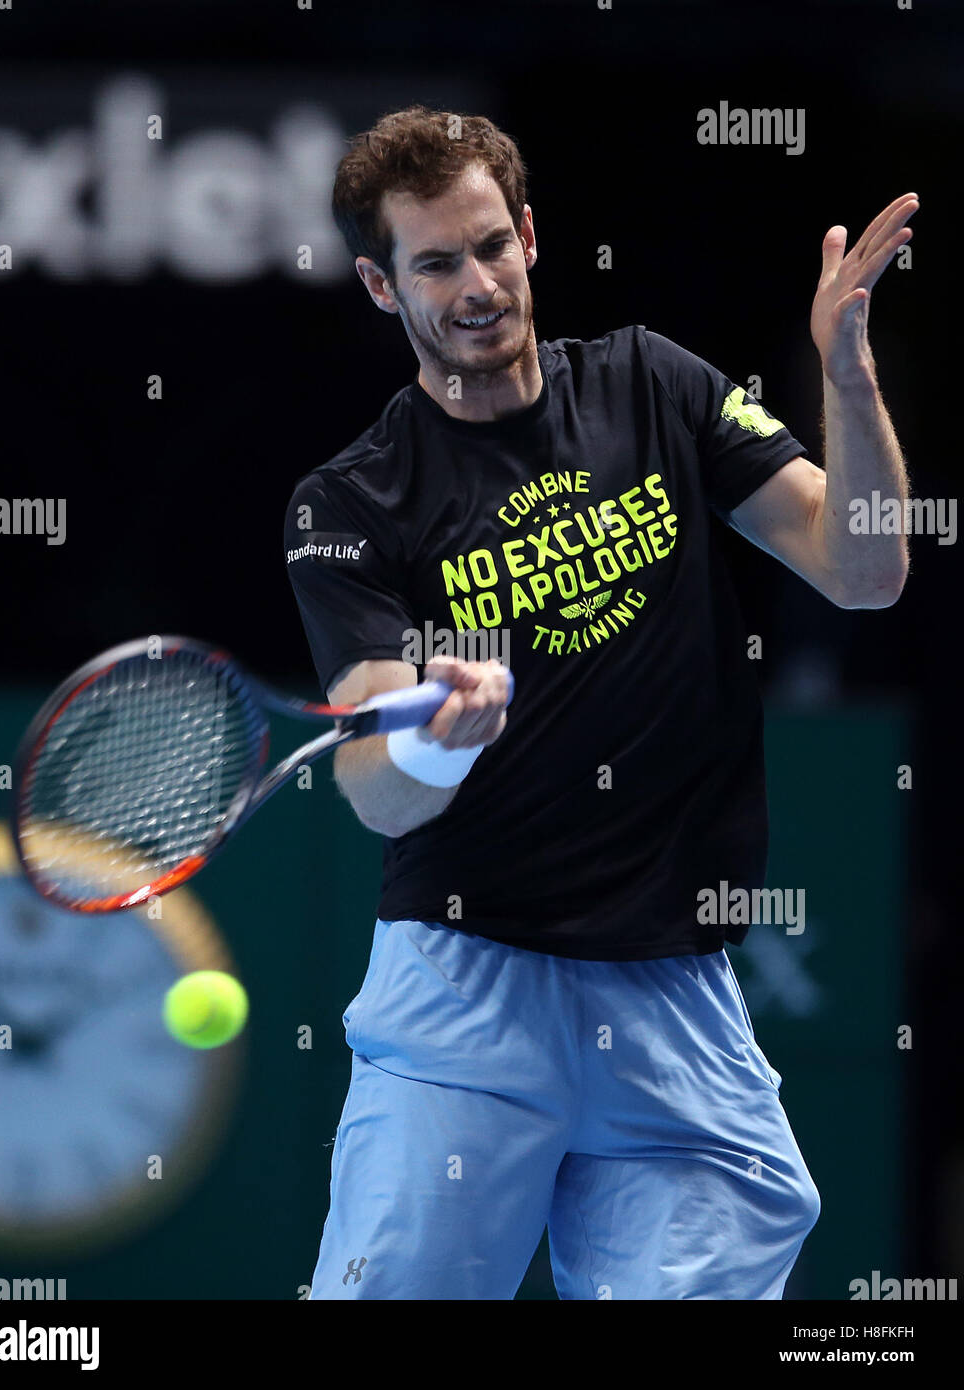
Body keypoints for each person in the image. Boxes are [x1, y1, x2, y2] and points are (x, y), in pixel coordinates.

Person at [285, 105, 914, 1299]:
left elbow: (865, 567)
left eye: (489, 246)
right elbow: (373, 785)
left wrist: (845, 372)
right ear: (380, 285)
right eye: (433, 263)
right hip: (466, 995)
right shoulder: (351, 504)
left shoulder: (651, 384)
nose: (475, 286)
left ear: (528, 234)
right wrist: (436, 744)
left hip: (674, 994)